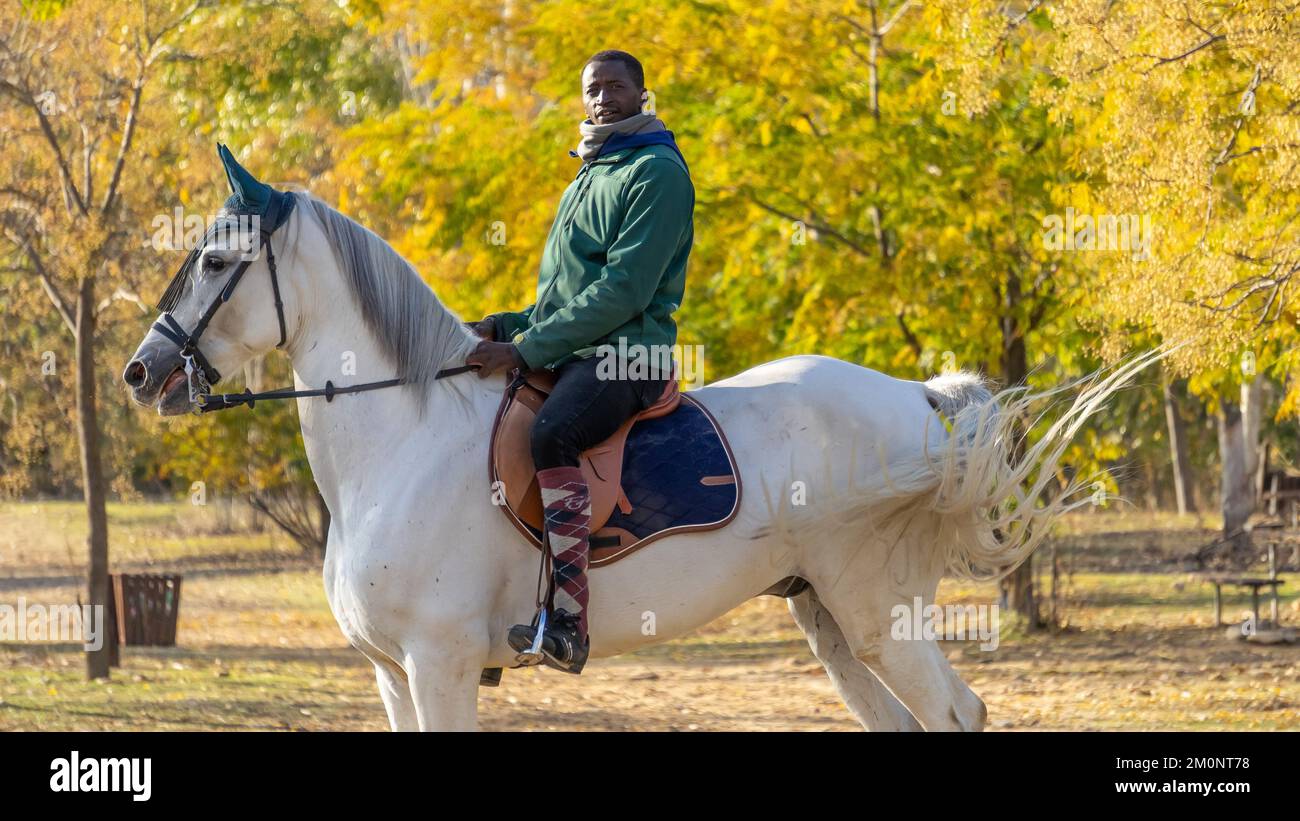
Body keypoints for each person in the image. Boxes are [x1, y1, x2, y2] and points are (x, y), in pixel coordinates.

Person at [466, 49, 694, 674]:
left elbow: (623, 291)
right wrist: (501, 326)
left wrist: (525, 349)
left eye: (616, 86)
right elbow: (560, 301)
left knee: (552, 432)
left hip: (627, 357)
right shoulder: (589, 174)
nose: (602, 98)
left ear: (642, 95)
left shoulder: (658, 172)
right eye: (593, 88)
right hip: (574, 350)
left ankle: (568, 619)